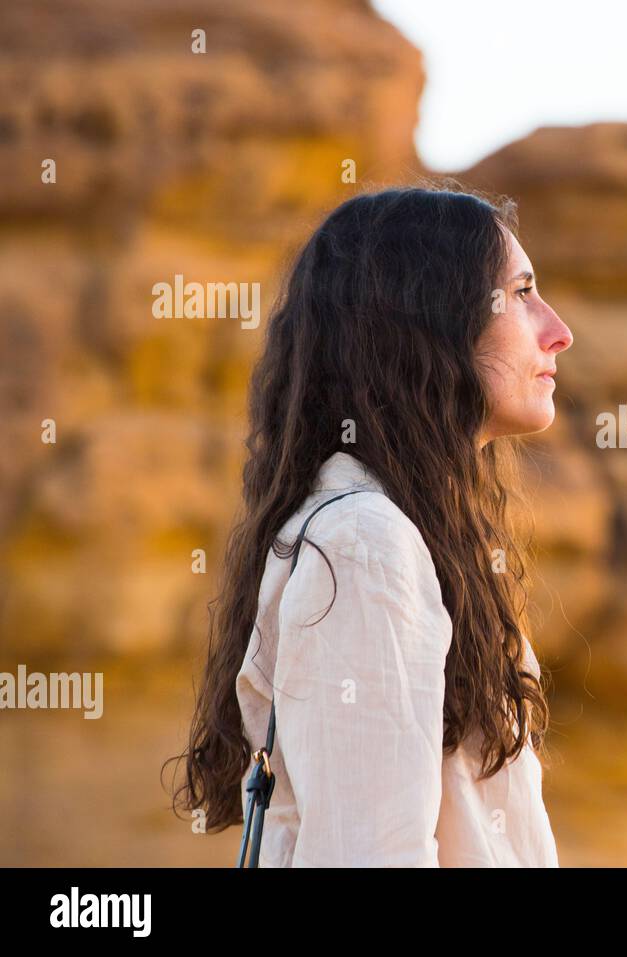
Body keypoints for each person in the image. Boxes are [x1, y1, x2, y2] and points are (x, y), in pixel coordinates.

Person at [171, 181, 573, 866]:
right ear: (429, 318)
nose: (558, 330)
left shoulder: (410, 536)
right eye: (520, 293)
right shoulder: (365, 546)